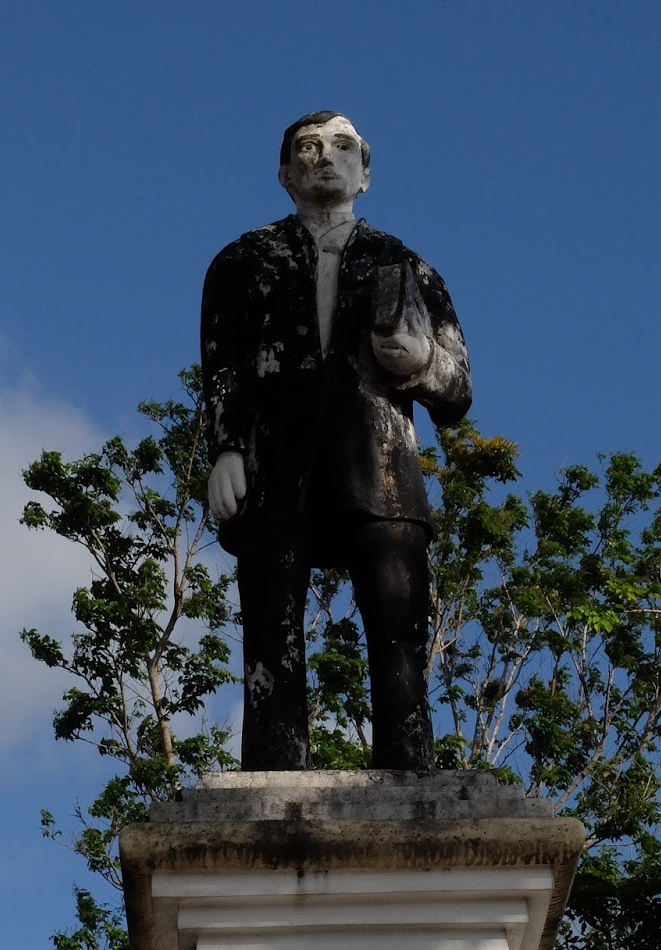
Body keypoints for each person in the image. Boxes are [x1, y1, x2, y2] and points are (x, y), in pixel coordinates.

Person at [201, 111, 472, 770]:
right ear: (285, 174)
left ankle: (409, 769)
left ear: (366, 171)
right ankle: (271, 772)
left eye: (342, 146)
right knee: (269, 632)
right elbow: (222, 366)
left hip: (379, 463)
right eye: (308, 147)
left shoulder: (403, 264)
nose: (325, 157)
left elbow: (458, 386)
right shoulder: (242, 261)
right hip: (273, 464)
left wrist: (418, 363)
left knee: (398, 625)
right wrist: (226, 450)